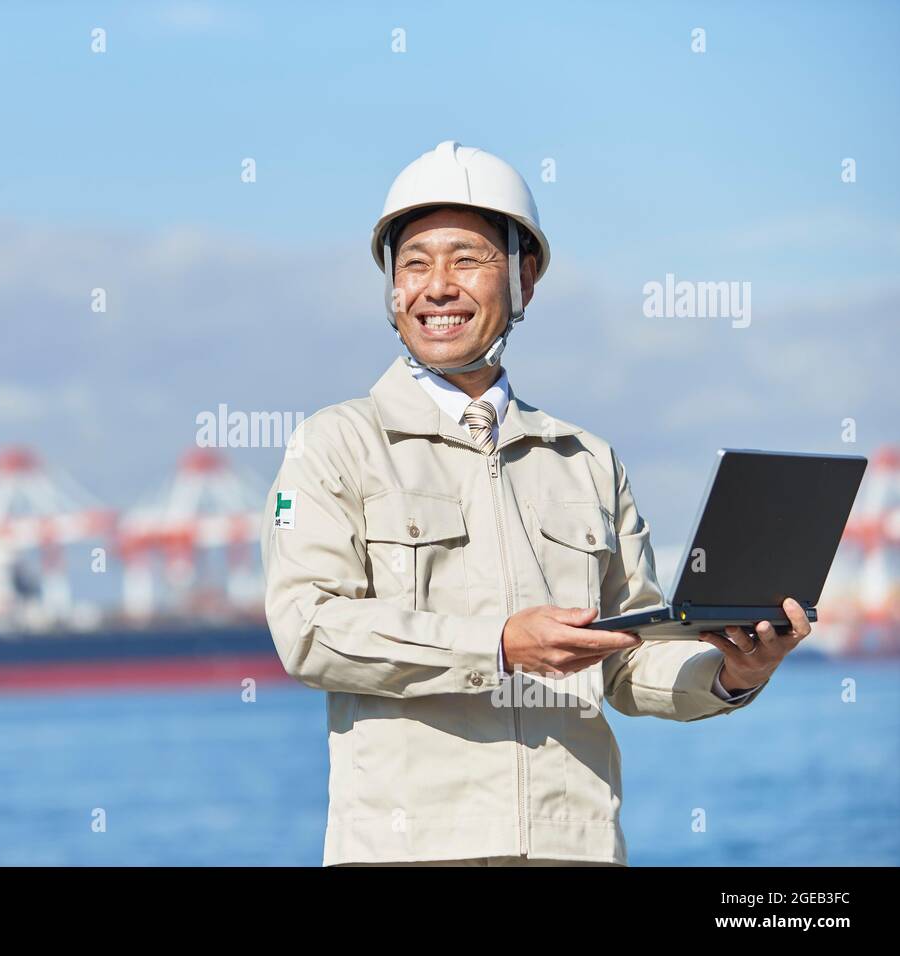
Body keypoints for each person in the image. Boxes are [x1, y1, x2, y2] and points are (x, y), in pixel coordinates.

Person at [260, 141, 813, 867]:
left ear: (525, 277)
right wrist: (495, 644)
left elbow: (630, 664)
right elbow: (309, 630)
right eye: (415, 263)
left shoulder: (587, 460)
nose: (437, 286)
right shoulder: (333, 444)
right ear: (391, 290)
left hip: (574, 847)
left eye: (467, 259)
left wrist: (733, 675)